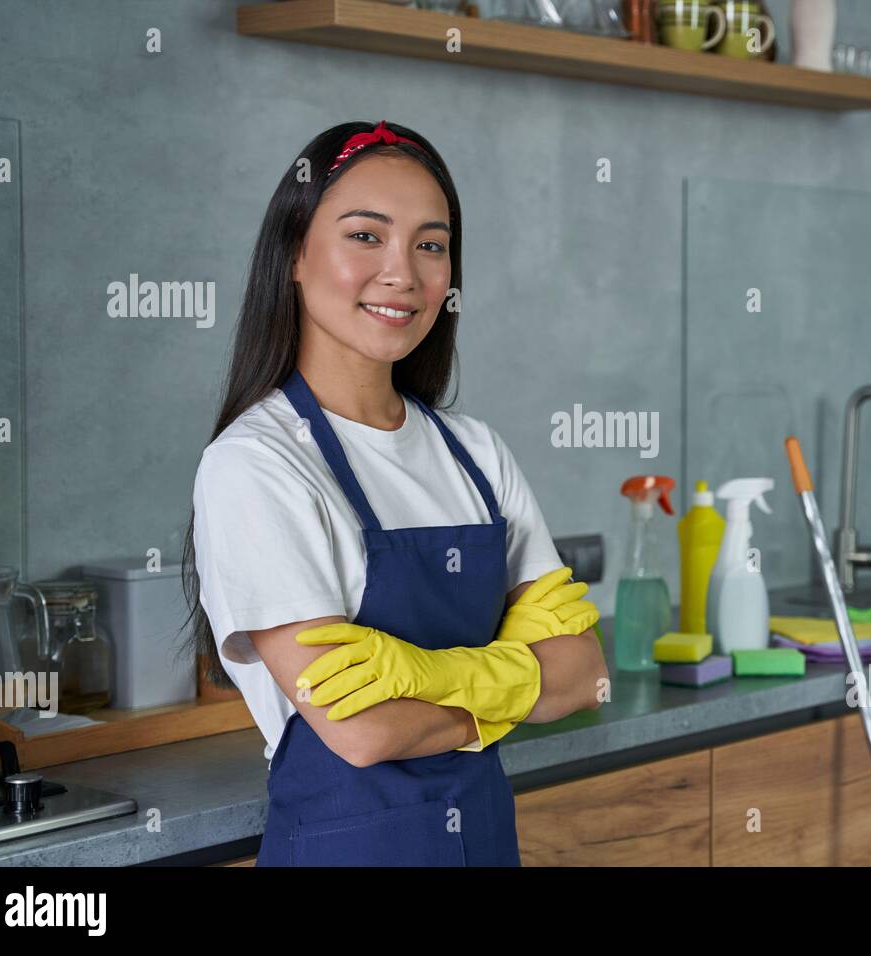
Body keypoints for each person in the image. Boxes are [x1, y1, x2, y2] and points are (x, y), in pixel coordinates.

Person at [179, 121, 607, 866]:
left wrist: (427, 675)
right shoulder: (256, 464)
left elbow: (583, 674)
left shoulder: (474, 453)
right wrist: (515, 682)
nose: (403, 274)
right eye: (366, 236)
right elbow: (363, 729)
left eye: (430, 245)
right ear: (294, 255)